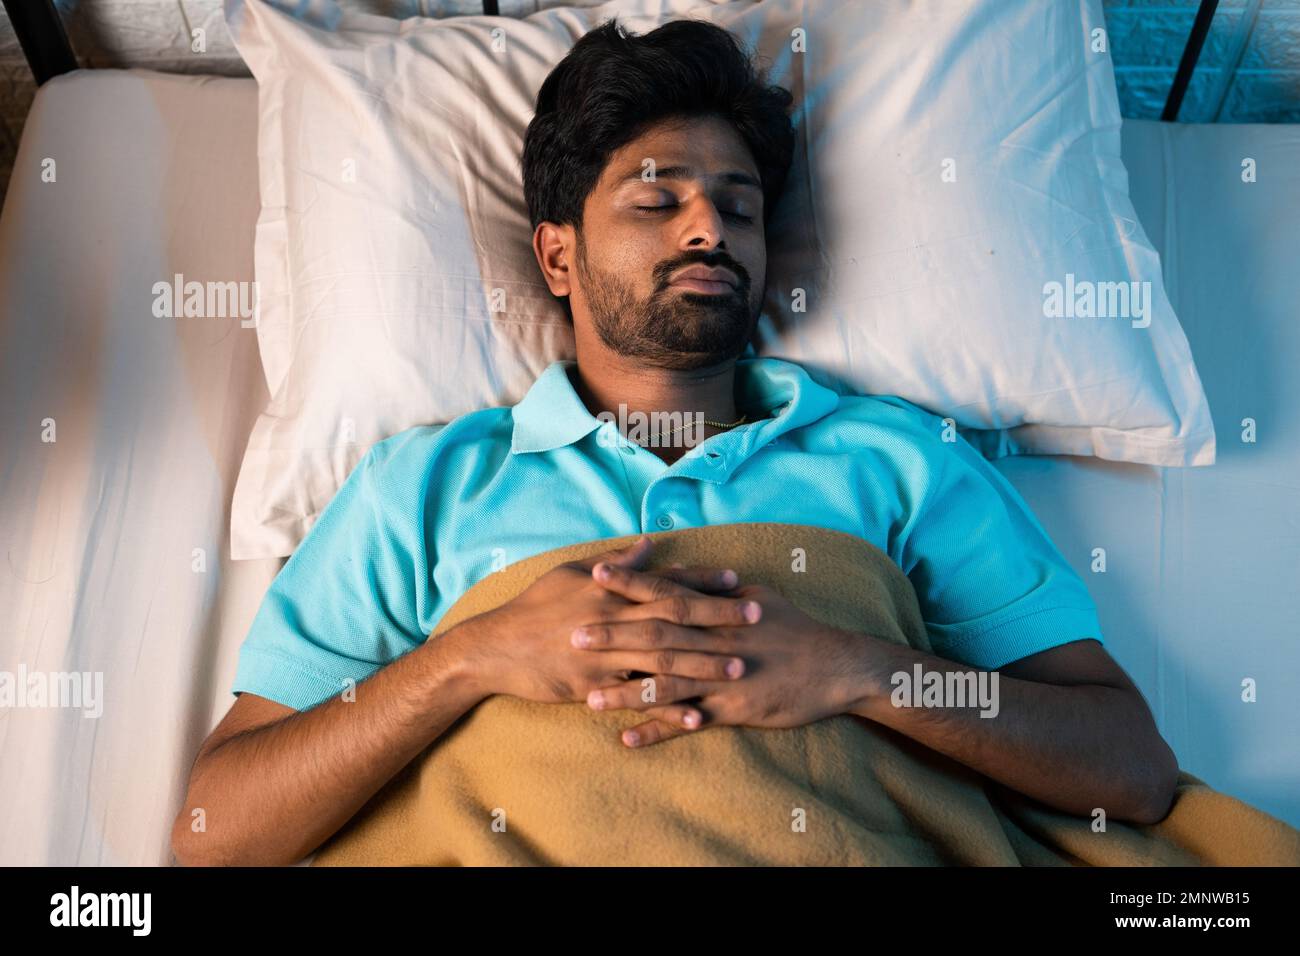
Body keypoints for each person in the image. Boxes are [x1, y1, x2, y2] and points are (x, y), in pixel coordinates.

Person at [172, 17, 1176, 867]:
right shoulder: (425, 484)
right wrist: (470, 658)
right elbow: (215, 827)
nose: (710, 227)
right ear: (556, 254)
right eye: (658, 199)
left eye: (738, 206)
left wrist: (862, 669)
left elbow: (1127, 766)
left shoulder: (898, 459)